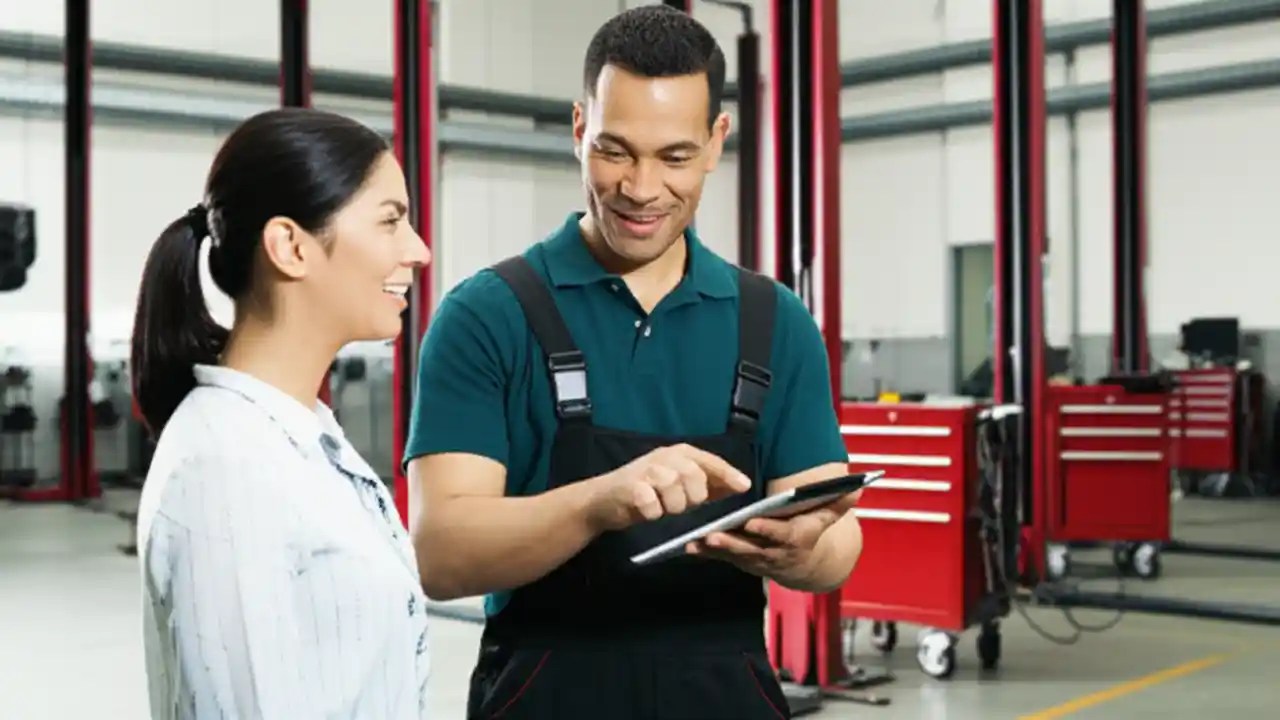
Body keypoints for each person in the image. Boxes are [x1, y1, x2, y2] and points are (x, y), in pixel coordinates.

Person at [405, 6, 862, 720]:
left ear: (717, 141)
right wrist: (599, 503)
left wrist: (798, 551)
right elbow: (441, 554)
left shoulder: (775, 325)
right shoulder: (488, 316)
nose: (642, 189)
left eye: (674, 157)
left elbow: (837, 539)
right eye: (615, 150)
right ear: (580, 127)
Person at [131, 107, 432, 719]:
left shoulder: (303, 435)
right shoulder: (225, 467)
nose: (419, 251)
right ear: (290, 246)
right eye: (390, 222)